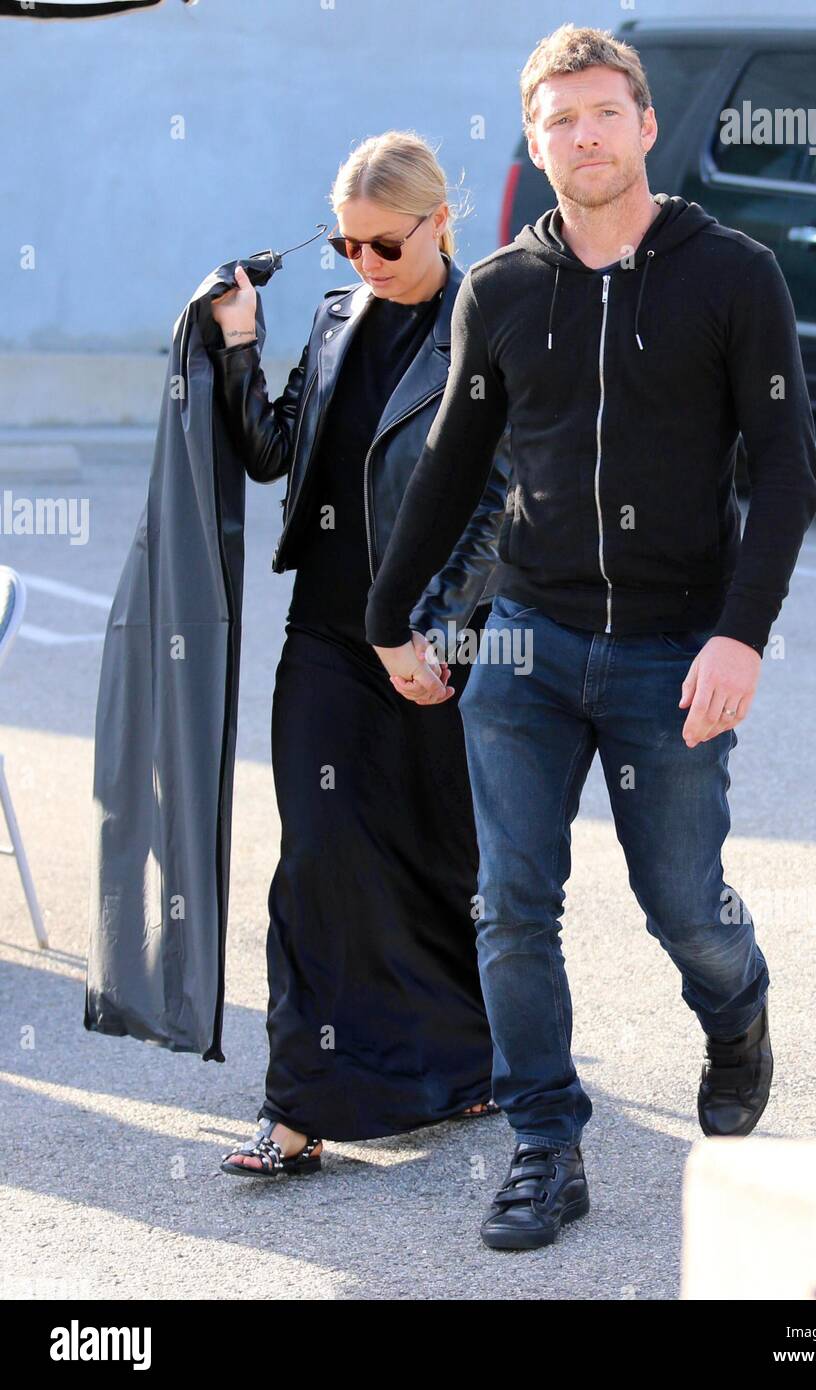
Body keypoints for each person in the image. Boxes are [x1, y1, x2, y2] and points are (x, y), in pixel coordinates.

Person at [364, 25, 816, 1247]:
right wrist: (389, 615)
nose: (584, 136)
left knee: (684, 906)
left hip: (675, 650)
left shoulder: (731, 275)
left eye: (603, 113)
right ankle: (543, 1143)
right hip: (523, 644)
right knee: (511, 902)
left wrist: (741, 636)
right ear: (533, 138)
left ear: (644, 123)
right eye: (558, 119)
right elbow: (457, 464)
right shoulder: (502, 289)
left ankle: (737, 1015)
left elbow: (785, 471)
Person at [209, 131, 512, 1177]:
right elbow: (277, 454)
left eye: (381, 246)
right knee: (318, 861)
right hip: (330, 638)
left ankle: (463, 1066)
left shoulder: (489, 324)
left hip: (435, 642)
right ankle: (295, 1106)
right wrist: (240, 342)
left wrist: (431, 627)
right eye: (342, 245)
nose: (360, 267)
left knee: (439, 864)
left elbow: (503, 505)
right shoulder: (338, 315)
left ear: (438, 222)